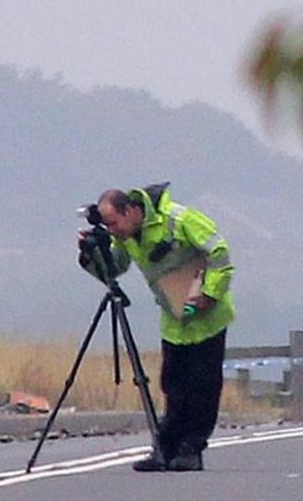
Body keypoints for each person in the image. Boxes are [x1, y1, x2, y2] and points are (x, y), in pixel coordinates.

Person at [78, 182, 234, 473]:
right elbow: (114, 268)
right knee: (173, 384)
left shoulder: (178, 219)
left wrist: (209, 293)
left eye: (114, 223)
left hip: (208, 315)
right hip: (174, 317)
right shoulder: (126, 236)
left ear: (129, 210)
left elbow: (219, 252)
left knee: (203, 385)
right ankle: (166, 448)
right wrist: (90, 255)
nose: (112, 230)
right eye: (107, 225)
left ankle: (191, 448)